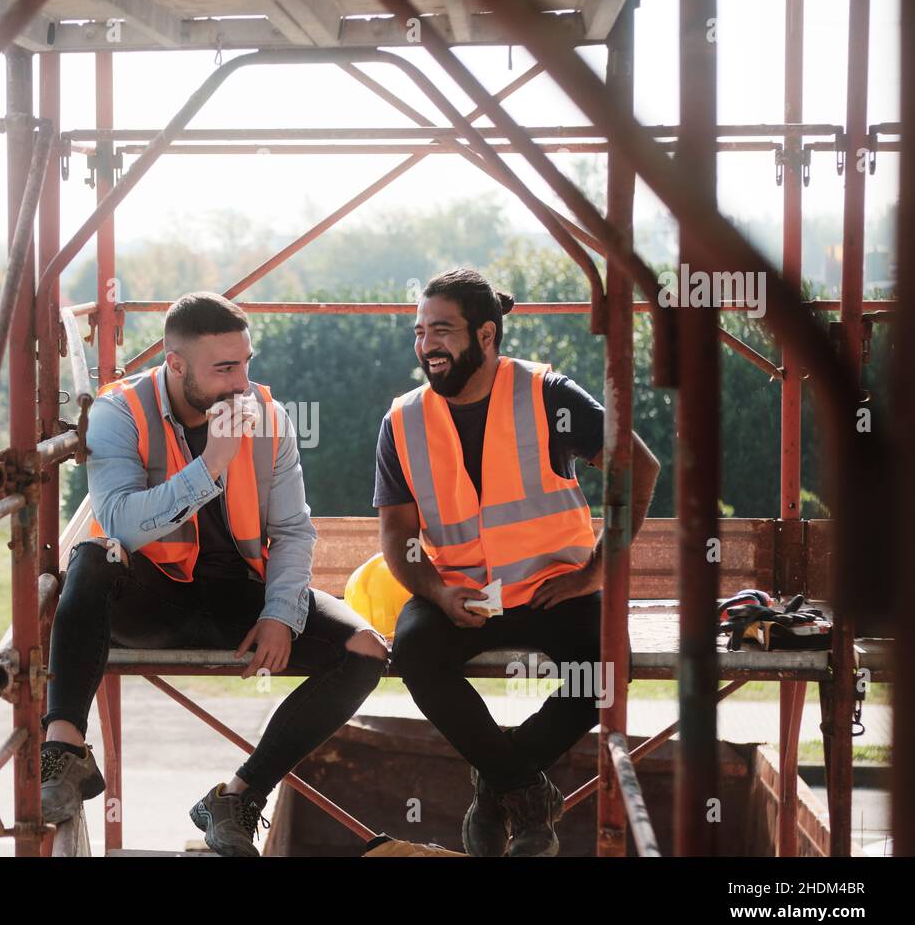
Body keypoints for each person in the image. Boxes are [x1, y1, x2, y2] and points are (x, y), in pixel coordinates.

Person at [41, 291, 389, 856]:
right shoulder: (119, 411)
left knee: (366, 649)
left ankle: (238, 797)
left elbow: (295, 532)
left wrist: (280, 613)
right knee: (92, 556)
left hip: (240, 603)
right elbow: (121, 525)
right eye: (224, 367)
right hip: (155, 602)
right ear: (175, 364)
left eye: (246, 363)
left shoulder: (269, 416)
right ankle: (64, 753)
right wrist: (212, 466)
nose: (240, 381)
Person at [376, 267, 660, 856]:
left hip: (555, 587)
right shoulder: (402, 420)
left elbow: (640, 466)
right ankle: (524, 792)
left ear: (485, 335)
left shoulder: (547, 393)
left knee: (607, 671)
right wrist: (435, 591)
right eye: (420, 330)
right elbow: (399, 533)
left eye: (443, 330)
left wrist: (599, 570)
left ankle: (497, 784)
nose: (427, 344)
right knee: (415, 650)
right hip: (462, 592)